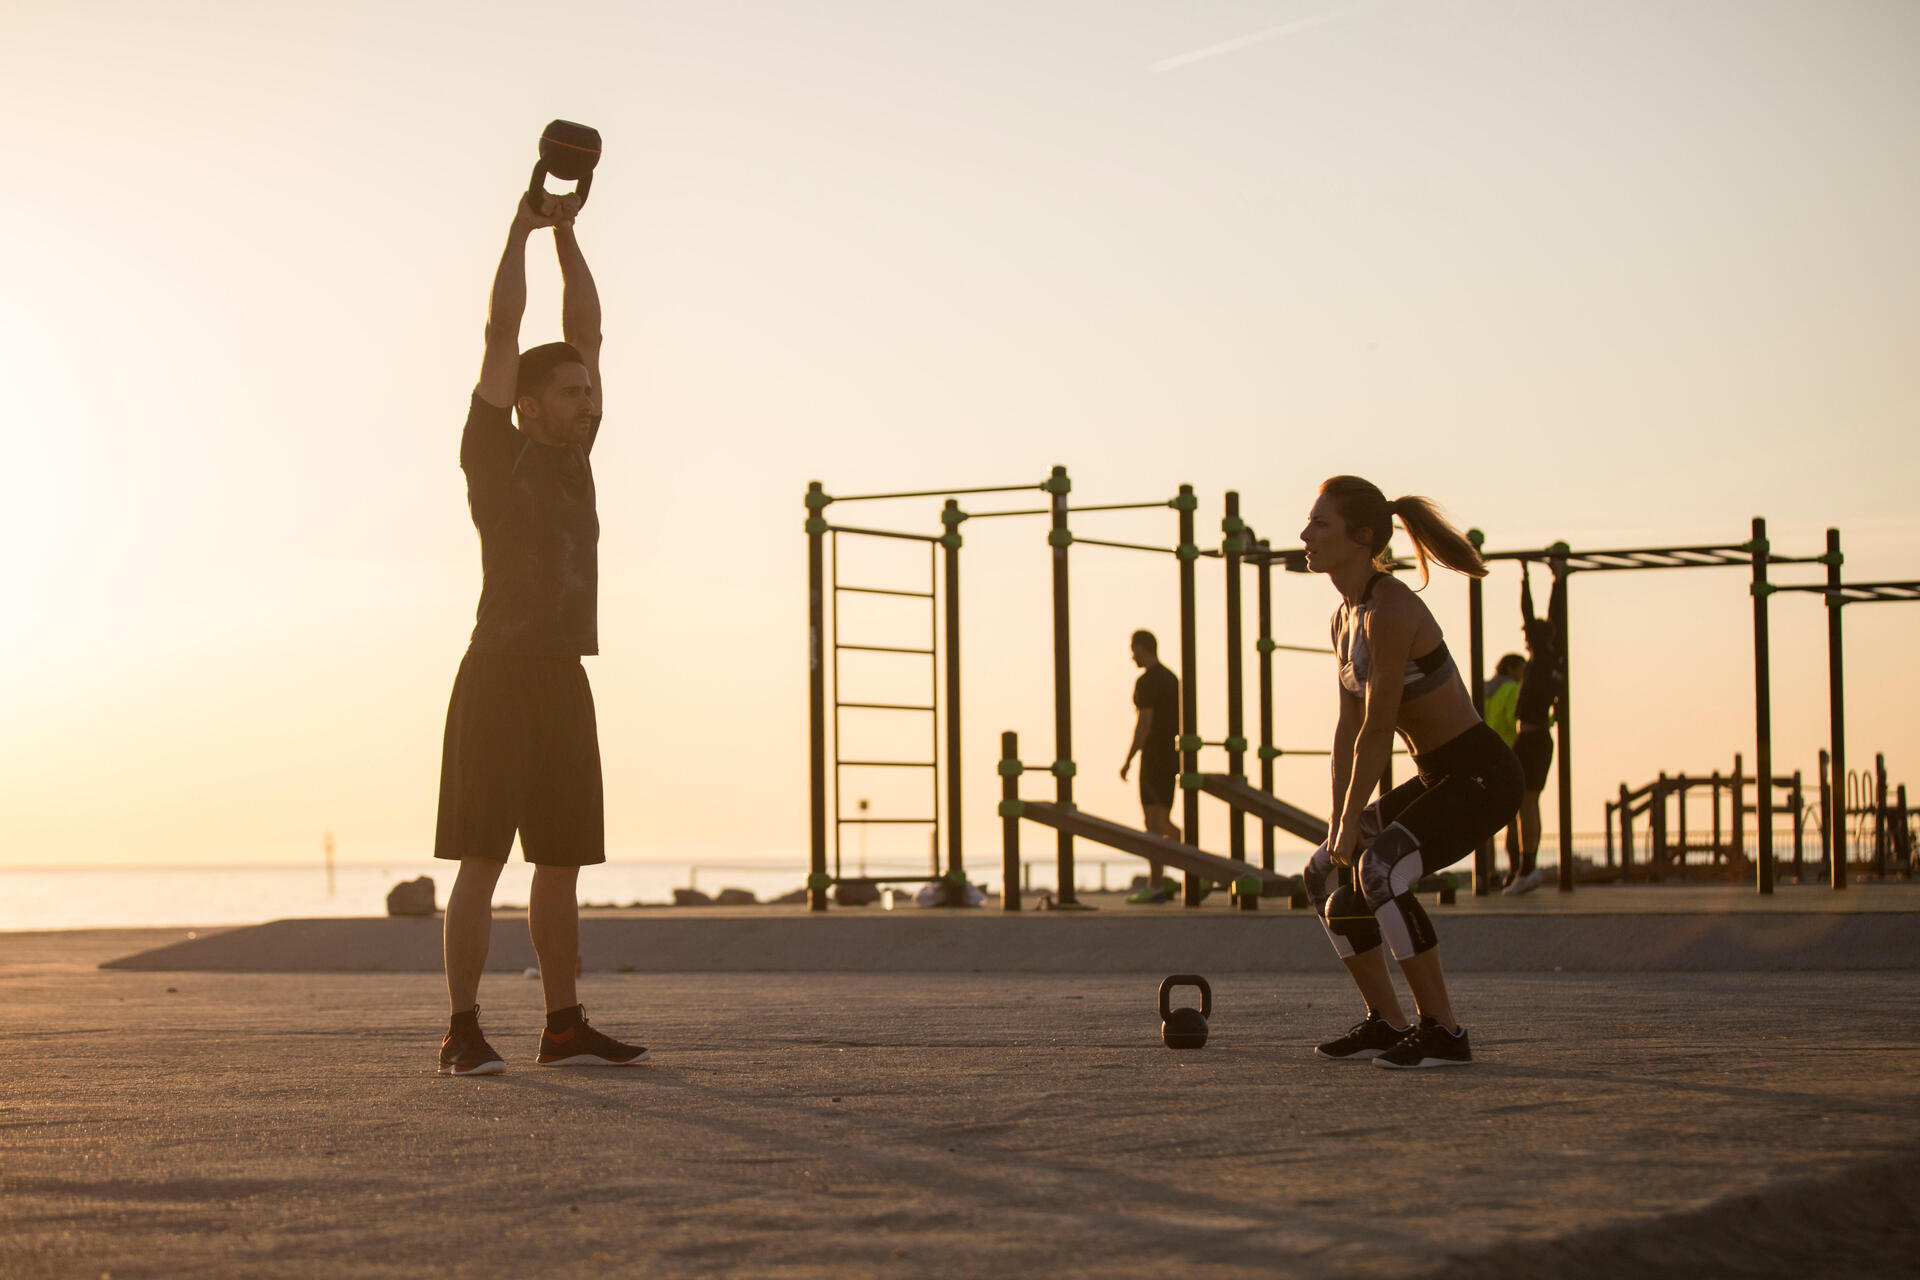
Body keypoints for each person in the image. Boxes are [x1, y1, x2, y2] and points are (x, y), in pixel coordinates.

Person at [433, 190, 647, 1076]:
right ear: (525, 403)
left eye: (590, 392)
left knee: (559, 864)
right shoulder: (493, 450)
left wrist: (570, 236)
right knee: (484, 859)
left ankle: (564, 1024)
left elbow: (589, 329)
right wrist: (523, 229)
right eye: (570, 392)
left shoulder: (578, 457)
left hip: (564, 677)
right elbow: (500, 334)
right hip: (497, 679)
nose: (588, 401)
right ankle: (463, 1028)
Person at [1297, 476, 1523, 1068]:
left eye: (1321, 525)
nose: (1305, 535)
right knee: (1324, 872)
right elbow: (1347, 731)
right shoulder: (1343, 619)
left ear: (1361, 536)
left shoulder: (1393, 608)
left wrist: (1353, 822)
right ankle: (1386, 1021)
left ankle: (1444, 1031)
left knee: (1381, 869)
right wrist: (1335, 823)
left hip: (1481, 774)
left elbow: (1378, 728)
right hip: (1436, 777)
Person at [1505, 563, 1565, 895]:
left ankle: (1527, 867)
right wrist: (1551, 579)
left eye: (1528, 636)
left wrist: (1528, 578)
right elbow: (1551, 619)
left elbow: (1537, 616)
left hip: (1534, 738)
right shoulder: (1549, 658)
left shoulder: (1543, 658)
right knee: (1524, 804)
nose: (1524, 639)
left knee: (1526, 803)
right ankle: (1523, 867)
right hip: (1530, 737)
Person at [1120, 629, 1181, 902]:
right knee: (1167, 824)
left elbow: (1144, 723)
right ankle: (1189, 868)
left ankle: (1155, 885)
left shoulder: (1145, 683)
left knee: (1153, 824)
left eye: (1134, 649)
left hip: (1154, 758)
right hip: (1171, 756)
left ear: (1142, 648)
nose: (1132, 656)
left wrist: (1129, 758)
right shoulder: (1172, 679)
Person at [1482, 652, 1527, 883]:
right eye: (1522, 669)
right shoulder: (1512, 689)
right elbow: (1513, 720)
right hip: (1507, 754)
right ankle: (1514, 870)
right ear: (1511, 669)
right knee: (1512, 817)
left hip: (1482, 757)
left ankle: (1487, 871)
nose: (1524, 675)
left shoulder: (1483, 690)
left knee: (1486, 821)